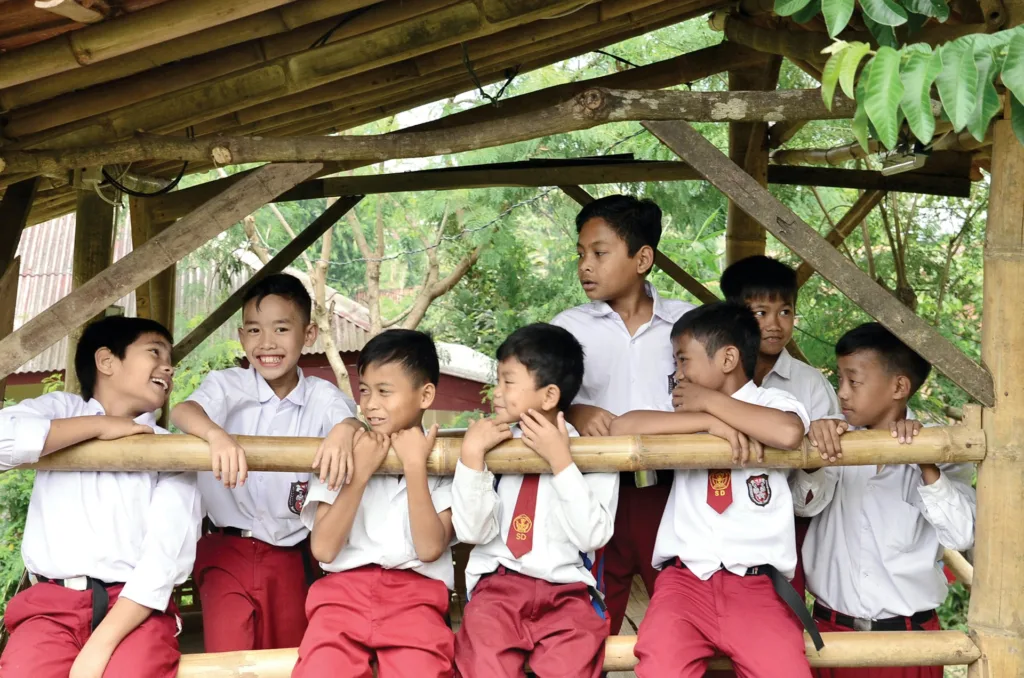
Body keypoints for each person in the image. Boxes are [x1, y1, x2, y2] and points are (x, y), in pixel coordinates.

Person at [611, 302, 816, 678]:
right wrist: (707, 421)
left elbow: (788, 433)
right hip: (683, 584)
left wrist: (711, 403)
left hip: (757, 586)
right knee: (660, 668)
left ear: (727, 359)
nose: (678, 374)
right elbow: (621, 427)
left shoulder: (772, 402)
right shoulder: (682, 414)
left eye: (683, 360)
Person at [0, 316, 202, 678]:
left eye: (170, 359)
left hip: (135, 612)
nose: (168, 366)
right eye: (155, 352)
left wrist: (99, 646)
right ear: (107, 361)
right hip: (49, 608)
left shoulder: (171, 449)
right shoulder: (62, 412)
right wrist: (101, 426)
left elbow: (165, 558)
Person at [170, 273, 361, 652]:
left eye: (281, 329)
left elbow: (351, 422)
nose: (267, 343)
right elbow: (182, 411)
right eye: (255, 330)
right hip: (226, 550)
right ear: (242, 337)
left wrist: (345, 430)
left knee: (287, 656)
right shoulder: (226, 385)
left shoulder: (321, 396)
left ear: (308, 334)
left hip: (292, 554)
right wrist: (216, 435)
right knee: (229, 658)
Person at [792, 323, 976, 678]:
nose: (842, 393)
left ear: (899, 387)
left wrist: (924, 461)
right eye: (840, 380)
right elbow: (803, 506)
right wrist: (813, 457)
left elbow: (961, 536)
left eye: (854, 381)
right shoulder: (833, 441)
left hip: (911, 642)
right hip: (830, 636)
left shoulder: (943, 449)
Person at [551, 194, 694, 635]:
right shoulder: (567, 328)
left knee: (684, 617)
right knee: (592, 622)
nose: (584, 266)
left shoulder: (688, 326)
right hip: (595, 494)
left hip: (674, 494)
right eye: (580, 254)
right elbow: (537, 401)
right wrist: (575, 410)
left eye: (599, 253)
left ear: (642, 259)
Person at [452, 323, 618, 678]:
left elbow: (592, 536)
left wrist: (561, 463)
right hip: (497, 588)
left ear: (549, 395)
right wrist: (471, 457)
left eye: (508, 382)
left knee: (572, 662)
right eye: (497, 380)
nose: (497, 393)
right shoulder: (490, 445)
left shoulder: (594, 451)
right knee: (482, 659)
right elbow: (470, 532)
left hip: (567, 594)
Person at [292, 329, 456, 678]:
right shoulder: (343, 451)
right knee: (321, 671)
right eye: (364, 390)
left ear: (425, 394)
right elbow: (323, 549)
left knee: (423, 671)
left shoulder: (446, 459)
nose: (369, 404)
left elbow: (429, 549)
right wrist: (360, 474)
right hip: (341, 597)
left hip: (417, 600)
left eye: (384, 391)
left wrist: (415, 467)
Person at [720, 254, 841, 599]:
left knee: (781, 619)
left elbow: (820, 493)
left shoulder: (811, 384)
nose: (775, 324)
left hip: (783, 537)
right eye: (760, 313)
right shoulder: (710, 376)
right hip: (712, 533)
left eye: (785, 312)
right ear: (735, 315)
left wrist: (811, 460)